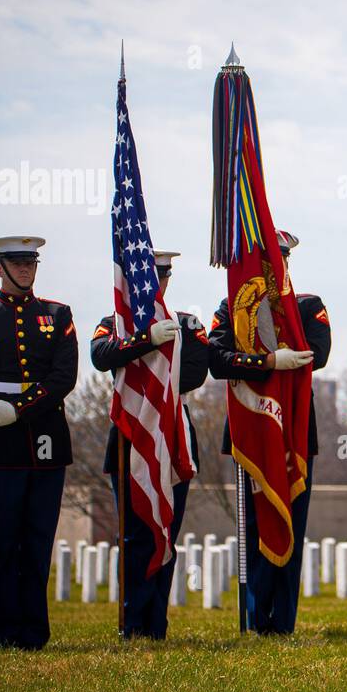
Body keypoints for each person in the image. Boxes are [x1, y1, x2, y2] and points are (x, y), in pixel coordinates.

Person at [0, 235, 78, 649]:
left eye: (31, 263)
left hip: (44, 437)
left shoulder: (58, 315)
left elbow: (64, 378)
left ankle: (33, 633)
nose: (26, 270)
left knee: (38, 539)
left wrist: (19, 408)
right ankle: (2, 632)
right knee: (3, 540)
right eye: (17, 263)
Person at [208, 231, 329, 634]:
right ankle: (256, 619)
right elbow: (217, 360)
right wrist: (268, 362)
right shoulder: (232, 306)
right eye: (265, 261)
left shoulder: (307, 307)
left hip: (293, 431)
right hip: (251, 430)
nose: (274, 268)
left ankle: (284, 623)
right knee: (255, 527)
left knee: (292, 522)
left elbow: (320, 352)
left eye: (280, 260)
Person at [90, 249, 209, 639]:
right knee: (133, 533)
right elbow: (100, 356)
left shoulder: (186, 324)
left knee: (165, 529)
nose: (155, 284)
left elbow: (194, 374)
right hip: (131, 431)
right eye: (148, 276)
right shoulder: (114, 324)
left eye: (161, 277)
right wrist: (144, 340)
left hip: (172, 428)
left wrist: (147, 357)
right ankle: (132, 623)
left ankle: (156, 623)